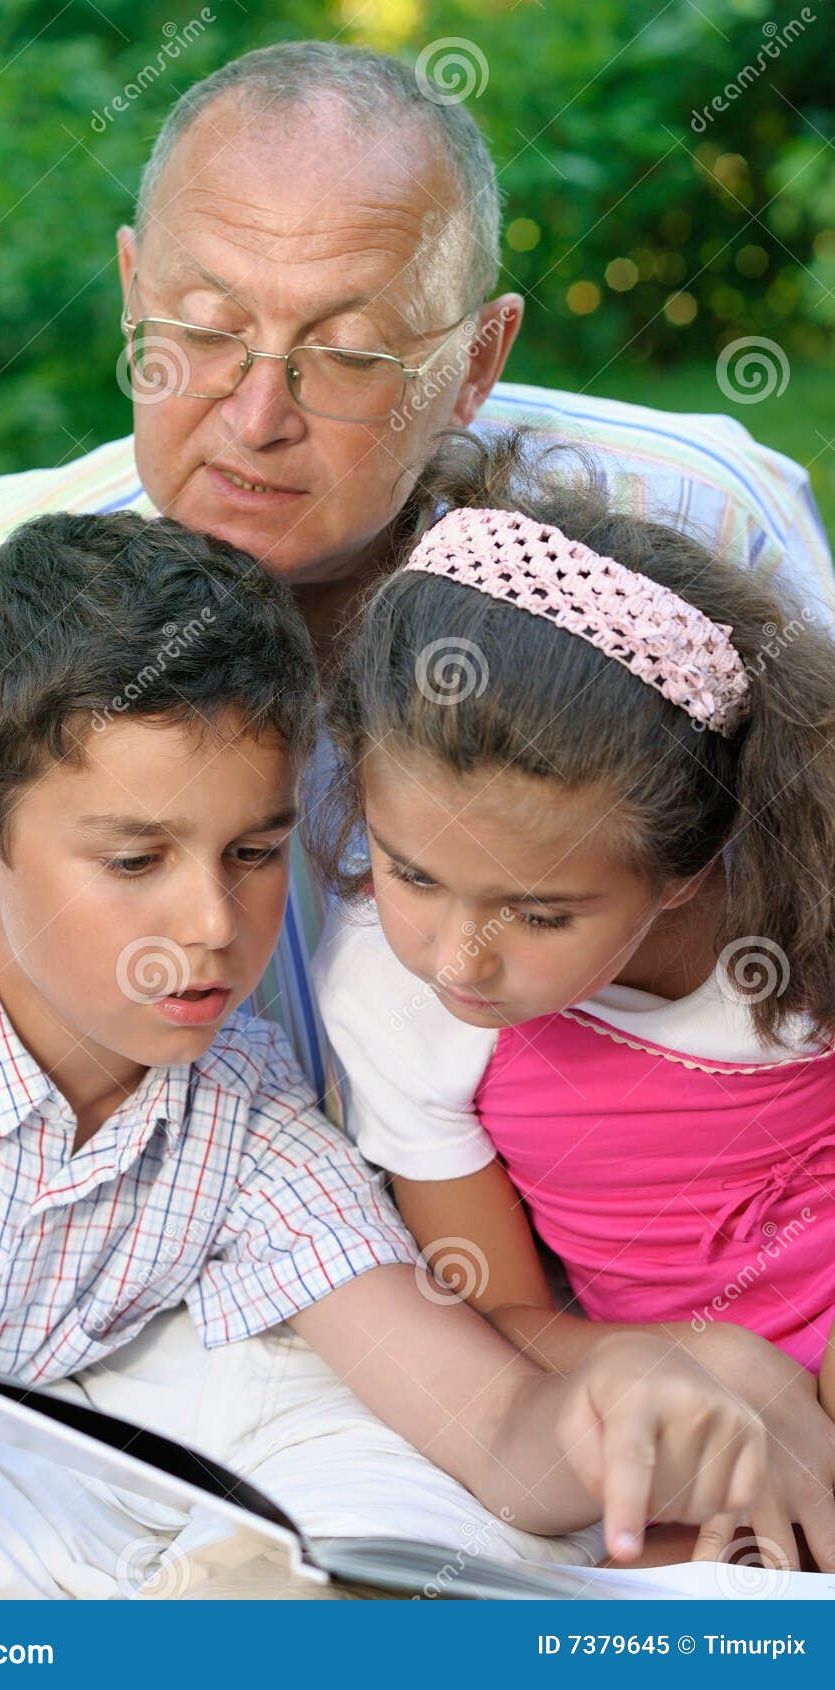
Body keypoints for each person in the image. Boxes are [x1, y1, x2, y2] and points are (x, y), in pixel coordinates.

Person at [0, 38, 829, 1583]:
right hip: (145, 1310)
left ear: (474, 356)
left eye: (346, 357)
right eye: (197, 332)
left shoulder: (687, 520)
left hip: (456, 1307)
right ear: (131, 292)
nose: (253, 414)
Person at [0, 509, 767, 1598]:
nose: (209, 921)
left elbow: (488, 1426)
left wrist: (613, 1410)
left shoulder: (245, 1118)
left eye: (254, 852)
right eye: (135, 857)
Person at [313, 426, 835, 1575]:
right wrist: (701, 1365)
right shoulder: (387, 992)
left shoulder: (804, 901)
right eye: (411, 873)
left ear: (687, 869)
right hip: (670, 1380)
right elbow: (501, 1312)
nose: (458, 958)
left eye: (541, 915)